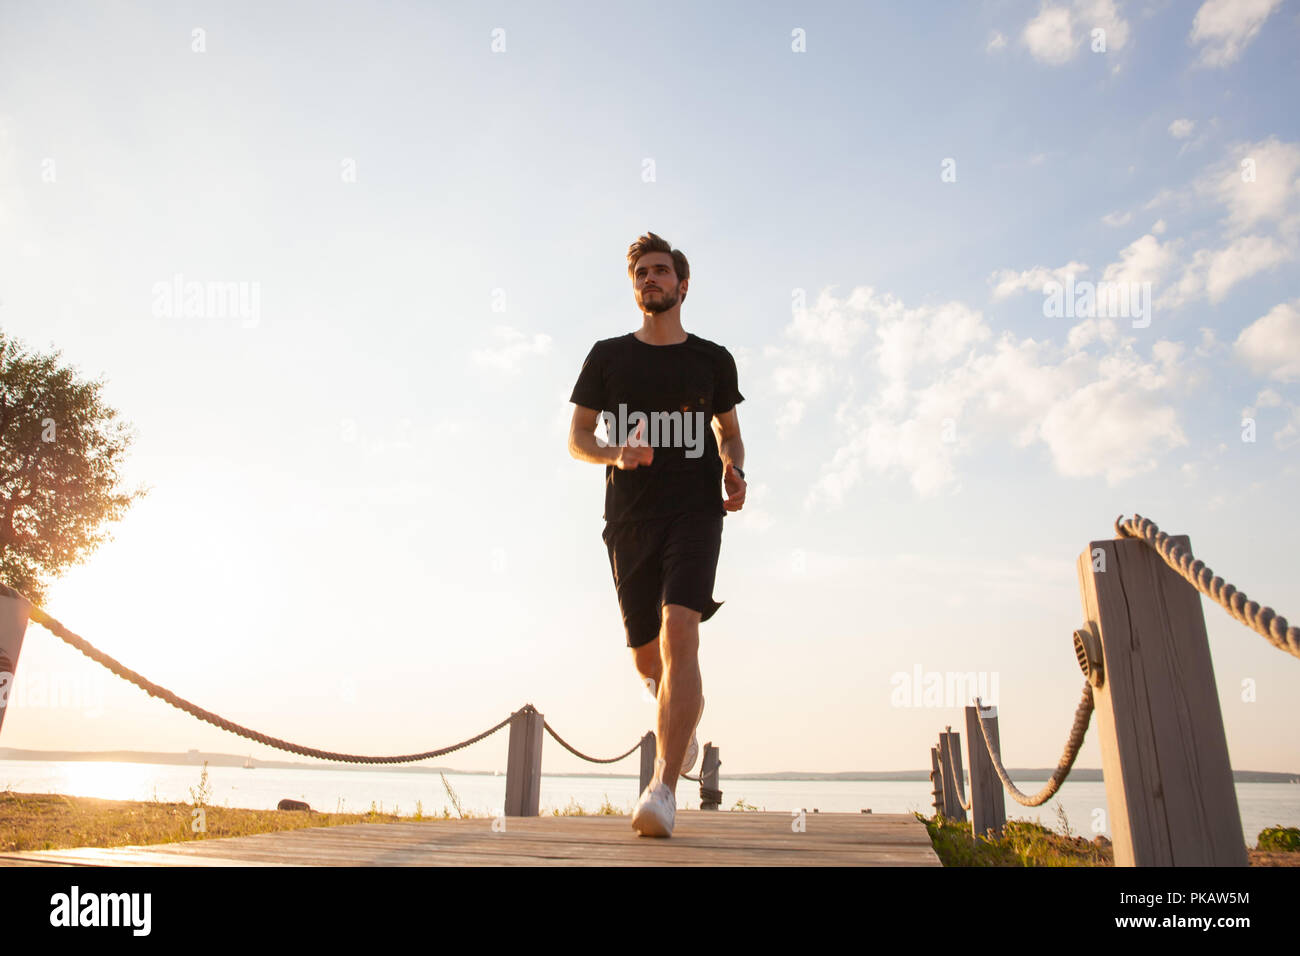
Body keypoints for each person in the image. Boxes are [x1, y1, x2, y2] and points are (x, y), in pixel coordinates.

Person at [567, 231, 746, 837]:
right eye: (642, 272)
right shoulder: (608, 357)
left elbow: (730, 431)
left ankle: (663, 788)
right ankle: (680, 719)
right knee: (649, 656)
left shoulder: (712, 360)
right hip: (629, 523)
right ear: (634, 285)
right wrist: (616, 455)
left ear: (683, 284)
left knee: (679, 631)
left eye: (662, 270)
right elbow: (578, 438)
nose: (652, 278)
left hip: (695, 516)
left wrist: (733, 465)